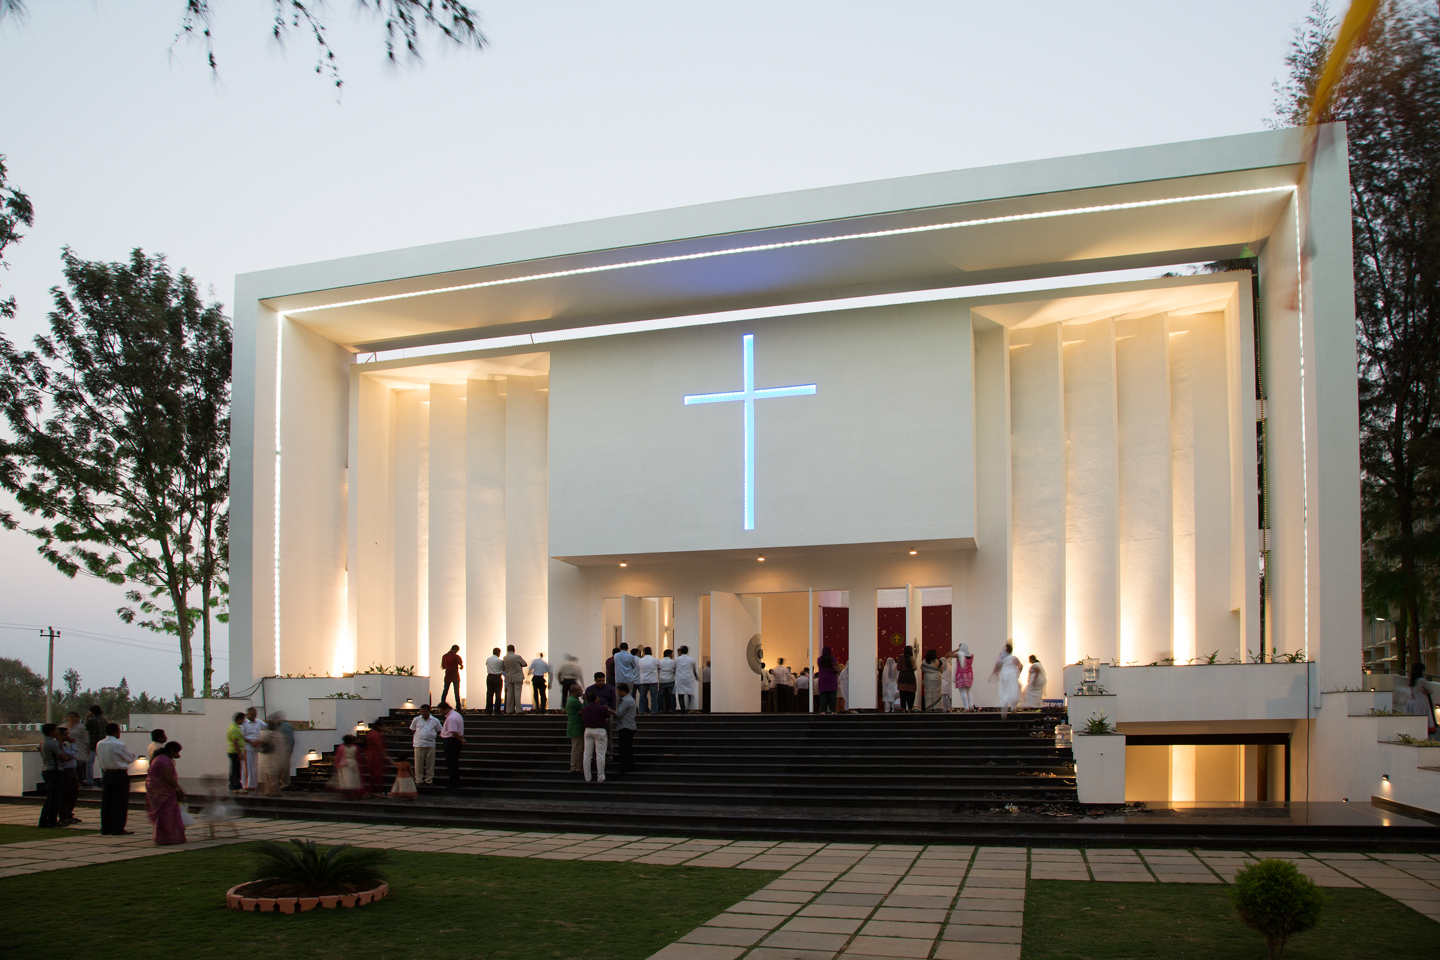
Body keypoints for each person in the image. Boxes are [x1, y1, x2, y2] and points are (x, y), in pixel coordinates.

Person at [95, 723, 136, 835]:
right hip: (119, 774)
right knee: (120, 801)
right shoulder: (119, 744)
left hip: (106, 773)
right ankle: (118, 827)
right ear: (115, 732)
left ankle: (106, 827)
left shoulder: (100, 744)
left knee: (107, 801)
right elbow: (130, 758)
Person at [145, 741, 187, 846]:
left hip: (159, 790)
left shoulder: (160, 758)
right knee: (168, 814)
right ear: (171, 751)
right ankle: (169, 837)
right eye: (176, 752)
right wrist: (178, 788)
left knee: (165, 814)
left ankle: (164, 837)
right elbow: (168, 777)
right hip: (162, 792)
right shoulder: (163, 760)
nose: (178, 755)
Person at [37, 724, 65, 828]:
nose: (58, 731)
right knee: (54, 798)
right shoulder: (52, 743)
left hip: (47, 769)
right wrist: (60, 742)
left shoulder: (43, 741)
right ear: (51, 732)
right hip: (54, 770)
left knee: (50, 797)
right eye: (56, 729)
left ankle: (43, 820)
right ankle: (52, 820)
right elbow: (63, 757)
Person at [580, 691, 611, 783]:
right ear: (596, 698)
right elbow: (606, 718)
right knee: (600, 754)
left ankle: (587, 777)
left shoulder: (584, 709)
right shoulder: (601, 708)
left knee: (587, 754)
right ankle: (601, 777)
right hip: (599, 730)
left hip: (588, 730)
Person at [409, 703, 442, 786]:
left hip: (430, 743)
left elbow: (439, 730)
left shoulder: (435, 720)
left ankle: (429, 779)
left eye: (424, 711)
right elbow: (413, 729)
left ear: (429, 711)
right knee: (418, 763)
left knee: (430, 763)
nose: (423, 713)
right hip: (419, 743)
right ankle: (418, 779)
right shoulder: (416, 719)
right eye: (421, 712)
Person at [1404, 662, 1438, 740]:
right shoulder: (1422, 680)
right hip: (1421, 701)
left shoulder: (1410, 679)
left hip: (1412, 701)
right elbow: (1431, 690)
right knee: (1421, 718)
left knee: (1413, 718)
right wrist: (1425, 691)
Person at [56, 725, 82, 824]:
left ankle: (69, 813)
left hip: (72, 770)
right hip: (66, 771)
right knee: (66, 794)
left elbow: (73, 755)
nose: (68, 737)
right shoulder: (60, 745)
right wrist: (73, 745)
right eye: (66, 735)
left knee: (73, 793)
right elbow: (71, 754)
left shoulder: (65, 744)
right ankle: (63, 815)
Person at [990, 642, 1023, 719]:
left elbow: (997, 665)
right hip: (1012, 675)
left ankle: (1004, 711)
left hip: (1004, 675)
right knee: (1013, 691)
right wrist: (1018, 674)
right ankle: (1013, 707)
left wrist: (993, 674)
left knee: (1005, 692)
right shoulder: (1014, 658)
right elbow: (1020, 666)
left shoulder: (1001, 657)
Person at [439, 701, 466, 789]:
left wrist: (460, 740)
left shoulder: (451, 718)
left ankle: (454, 782)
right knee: (454, 762)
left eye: (441, 711)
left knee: (451, 763)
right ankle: (456, 781)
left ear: (445, 709)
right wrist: (462, 739)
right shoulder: (457, 715)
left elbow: (453, 731)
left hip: (451, 741)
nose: (441, 713)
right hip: (455, 741)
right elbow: (459, 730)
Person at [614, 682, 637, 774]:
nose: (618, 693)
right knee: (628, 748)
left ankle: (624, 766)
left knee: (624, 748)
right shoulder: (630, 699)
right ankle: (630, 765)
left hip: (625, 727)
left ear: (623, 691)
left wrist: (609, 710)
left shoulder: (626, 701)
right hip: (630, 726)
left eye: (619, 691)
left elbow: (619, 713)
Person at [363, 718, 390, 796]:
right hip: (375, 755)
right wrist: (385, 756)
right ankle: (377, 790)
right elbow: (379, 746)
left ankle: (372, 790)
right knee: (377, 773)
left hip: (372, 754)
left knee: (374, 773)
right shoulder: (375, 734)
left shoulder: (372, 733)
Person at [64, 712, 91, 788]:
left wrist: (87, 748)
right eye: (71, 717)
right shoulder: (64, 726)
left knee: (80, 762)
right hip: (68, 745)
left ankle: (81, 779)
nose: (72, 718)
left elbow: (85, 738)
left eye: (74, 717)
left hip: (79, 746)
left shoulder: (81, 727)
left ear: (78, 718)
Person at [241, 707, 264, 792]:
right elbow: (242, 736)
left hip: (256, 748)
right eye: (251, 715)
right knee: (248, 767)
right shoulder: (244, 724)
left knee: (254, 767)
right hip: (248, 748)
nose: (253, 716)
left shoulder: (259, 722)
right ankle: (247, 784)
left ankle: (253, 784)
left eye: (255, 714)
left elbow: (266, 728)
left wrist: (260, 741)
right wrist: (250, 742)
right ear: (247, 715)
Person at [83, 704, 106, 787]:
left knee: (90, 763)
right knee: (103, 763)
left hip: (93, 744)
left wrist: (86, 718)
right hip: (102, 744)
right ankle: (104, 779)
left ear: (92, 712)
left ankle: (89, 780)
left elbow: (85, 728)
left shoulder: (91, 721)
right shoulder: (104, 721)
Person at [565, 683, 585, 773]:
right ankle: (575, 766)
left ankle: (577, 765)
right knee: (577, 748)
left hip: (576, 726)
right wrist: (586, 700)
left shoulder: (573, 700)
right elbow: (585, 709)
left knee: (578, 747)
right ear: (574, 692)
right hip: (576, 726)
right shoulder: (574, 701)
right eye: (579, 690)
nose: (581, 691)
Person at [503, 645, 528, 714]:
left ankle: (509, 709)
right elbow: (524, 664)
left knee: (509, 693)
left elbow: (503, 667)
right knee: (517, 693)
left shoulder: (505, 658)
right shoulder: (517, 657)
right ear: (514, 649)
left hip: (509, 677)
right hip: (517, 677)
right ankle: (518, 709)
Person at [674, 645, 699, 714]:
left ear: (681, 651)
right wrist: (696, 677)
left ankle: (683, 709)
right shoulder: (691, 659)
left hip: (680, 678)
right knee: (689, 693)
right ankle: (688, 707)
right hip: (688, 678)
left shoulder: (677, 659)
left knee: (680, 694)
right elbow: (694, 669)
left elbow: (674, 668)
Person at [636, 646, 659, 715]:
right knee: (654, 697)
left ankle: (641, 710)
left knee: (642, 696)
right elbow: (659, 667)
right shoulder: (654, 660)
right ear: (651, 652)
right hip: (653, 680)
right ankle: (654, 711)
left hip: (643, 680)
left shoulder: (640, 660)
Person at [226, 712, 246, 792]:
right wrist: (239, 753)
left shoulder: (232, 727)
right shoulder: (235, 729)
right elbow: (235, 742)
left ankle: (232, 785)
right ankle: (236, 786)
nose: (243, 721)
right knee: (236, 769)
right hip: (235, 752)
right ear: (238, 719)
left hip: (231, 751)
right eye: (242, 719)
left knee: (233, 768)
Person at [815, 647, 839, 714]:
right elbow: (836, 666)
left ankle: (823, 710)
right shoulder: (833, 658)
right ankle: (833, 710)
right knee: (832, 695)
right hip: (831, 678)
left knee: (823, 695)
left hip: (822, 678)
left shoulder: (819, 659)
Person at [954, 643, 976, 711]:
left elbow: (948, 654)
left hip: (961, 674)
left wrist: (956, 650)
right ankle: (971, 706)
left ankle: (966, 707)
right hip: (969, 674)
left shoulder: (959, 655)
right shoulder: (972, 655)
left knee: (963, 691)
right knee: (969, 691)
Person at [485, 647, 504, 714]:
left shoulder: (488, 659)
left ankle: (488, 709)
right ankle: (497, 710)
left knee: (489, 694)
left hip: (489, 676)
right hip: (497, 677)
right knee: (498, 694)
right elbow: (503, 668)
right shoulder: (500, 661)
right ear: (499, 653)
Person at [657, 649, 677, 713]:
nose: (672, 655)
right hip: (670, 680)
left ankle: (660, 709)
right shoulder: (673, 662)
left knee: (661, 696)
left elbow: (658, 670)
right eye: (672, 654)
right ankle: (672, 709)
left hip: (662, 680)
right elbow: (675, 671)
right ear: (669, 655)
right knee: (672, 696)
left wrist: (661, 675)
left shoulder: (659, 662)